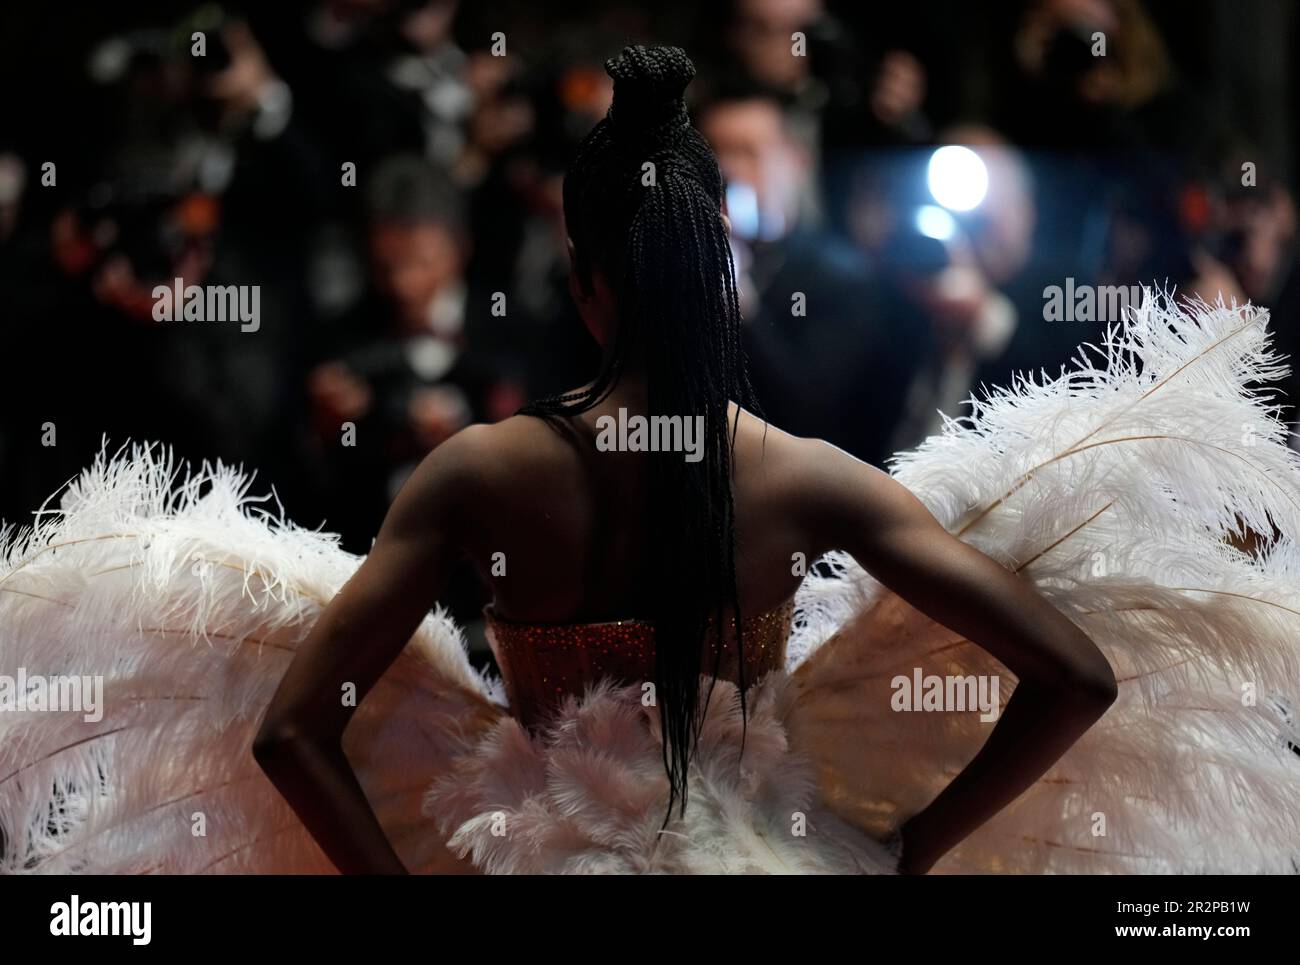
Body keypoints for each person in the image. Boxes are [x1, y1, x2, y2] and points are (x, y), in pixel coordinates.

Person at [2, 47, 1298, 876]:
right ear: (723, 278)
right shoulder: (804, 478)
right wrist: (909, 849)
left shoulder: (479, 476)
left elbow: (294, 732)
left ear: (580, 281)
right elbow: (1073, 674)